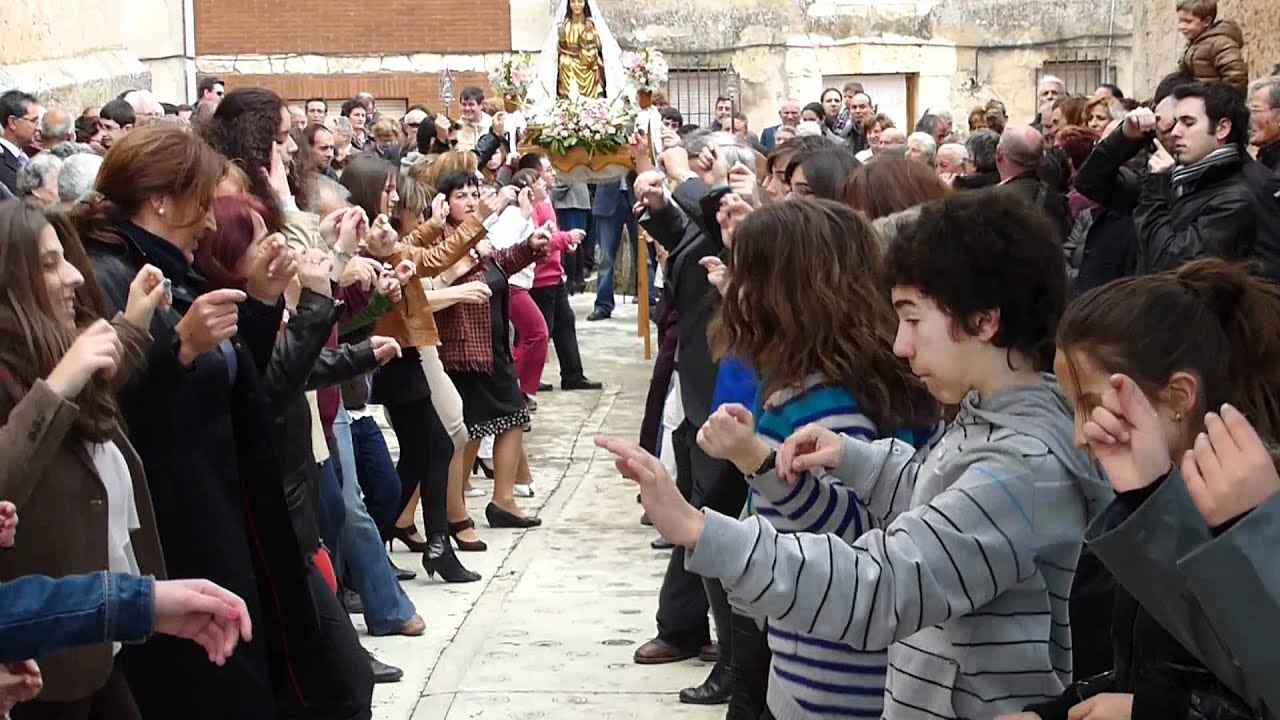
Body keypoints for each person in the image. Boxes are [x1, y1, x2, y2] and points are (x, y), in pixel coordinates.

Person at [599, 191, 1112, 718]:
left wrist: (698, 530)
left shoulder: (1021, 466)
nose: (900, 346)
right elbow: (936, 500)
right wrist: (859, 461)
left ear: (983, 320)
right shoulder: (990, 419)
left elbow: (885, 584)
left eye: (913, 319)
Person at [69, 126, 329, 720]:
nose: (211, 223)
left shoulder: (173, 269)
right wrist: (175, 351)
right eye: (202, 204)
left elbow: (242, 388)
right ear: (161, 199)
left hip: (222, 509)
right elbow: (104, 414)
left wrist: (260, 305)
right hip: (177, 526)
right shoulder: (112, 275)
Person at [697, 198, 940, 720]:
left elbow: (857, 538)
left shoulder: (829, 397)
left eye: (745, 272)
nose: (732, 290)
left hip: (835, 670)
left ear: (788, 289)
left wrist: (754, 460)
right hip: (813, 654)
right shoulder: (821, 377)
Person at [1015, 259, 1276, 719]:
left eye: (1092, 405)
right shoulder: (1152, 504)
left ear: (1178, 397)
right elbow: (1150, 667)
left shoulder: (1248, 512)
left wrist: (1149, 711)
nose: (1081, 435)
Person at [1176, 0, 1247, 96]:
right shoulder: (1193, 44)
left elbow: (1236, 77)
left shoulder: (1220, 44)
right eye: (1180, 21)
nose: (1181, 26)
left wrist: (1223, 103)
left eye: (1188, 21)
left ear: (1206, 21)